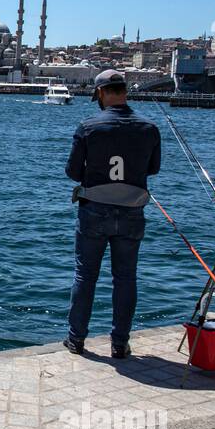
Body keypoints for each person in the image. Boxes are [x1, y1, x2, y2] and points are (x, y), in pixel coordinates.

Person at [63, 70, 160, 358]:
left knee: (85, 276)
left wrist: (94, 174)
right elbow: (152, 169)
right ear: (124, 91)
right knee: (126, 277)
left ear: (102, 93)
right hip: (131, 211)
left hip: (94, 210)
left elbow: (72, 172)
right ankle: (119, 343)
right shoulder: (149, 128)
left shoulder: (88, 127)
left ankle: (76, 339)